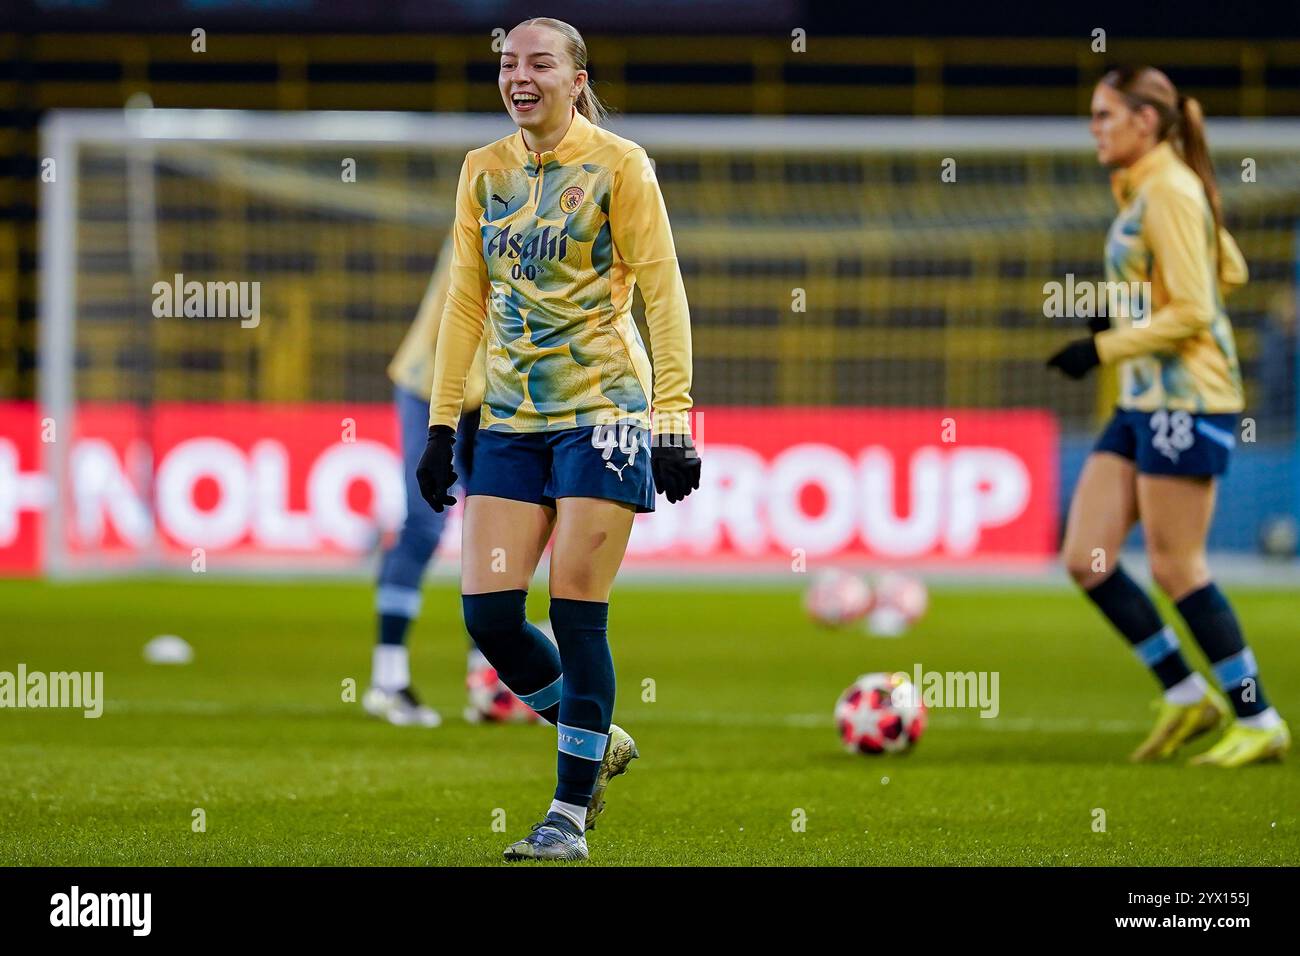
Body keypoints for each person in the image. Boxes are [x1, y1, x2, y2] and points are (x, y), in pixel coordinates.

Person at [417, 17, 700, 860]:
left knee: (575, 609)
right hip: (511, 417)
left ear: (577, 81)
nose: (520, 76)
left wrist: (673, 418)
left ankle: (567, 817)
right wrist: (441, 425)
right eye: (509, 63)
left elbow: (663, 290)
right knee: (490, 615)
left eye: (540, 63)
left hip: (605, 412)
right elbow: (465, 302)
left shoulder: (620, 165)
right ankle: (596, 738)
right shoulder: (483, 171)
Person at [1048, 66, 1289, 767]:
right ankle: (1187, 694)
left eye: (1104, 114)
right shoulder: (1147, 187)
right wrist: (1126, 309)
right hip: (1143, 398)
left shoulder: (1170, 191)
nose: (1094, 127)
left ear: (1144, 120)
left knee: (1176, 566)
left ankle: (1259, 717)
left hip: (1187, 398)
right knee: (1086, 558)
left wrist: (1103, 346)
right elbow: (1228, 269)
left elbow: (1197, 309)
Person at [363, 236, 539, 727]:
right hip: (432, 388)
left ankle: (486, 677)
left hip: (489, 397)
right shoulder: (486, 226)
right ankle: (387, 682)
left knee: (493, 532)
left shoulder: (533, 226)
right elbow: (462, 317)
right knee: (424, 524)